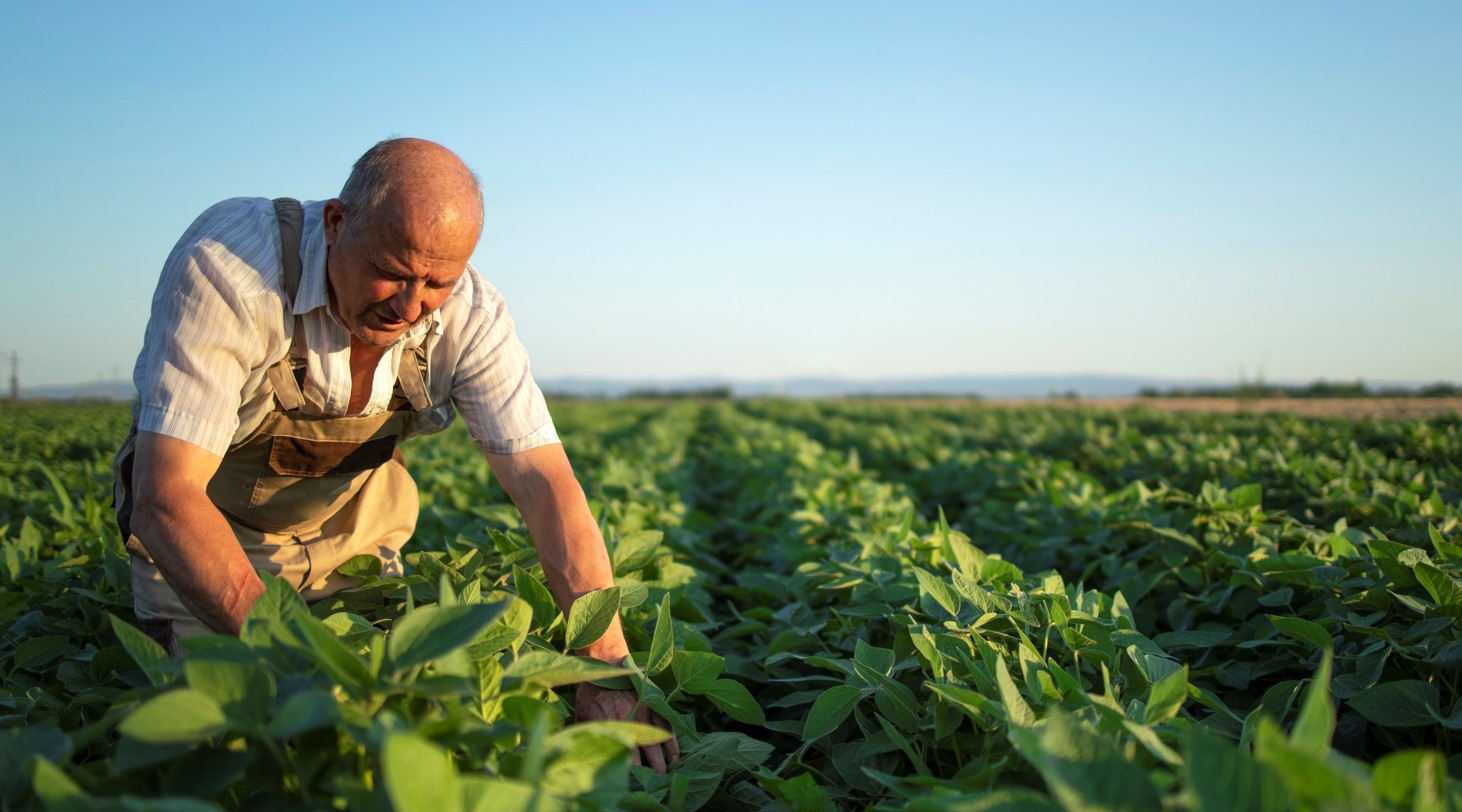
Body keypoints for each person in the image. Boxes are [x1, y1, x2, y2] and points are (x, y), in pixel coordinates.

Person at [112, 137, 679, 771]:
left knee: (412, 738)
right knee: (232, 745)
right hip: (209, 540)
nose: (409, 306)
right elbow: (165, 500)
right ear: (335, 223)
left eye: (437, 281)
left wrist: (601, 669)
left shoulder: (473, 315)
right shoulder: (231, 269)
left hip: (354, 535)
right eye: (392, 270)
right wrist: (306, 669)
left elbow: (545, 485)